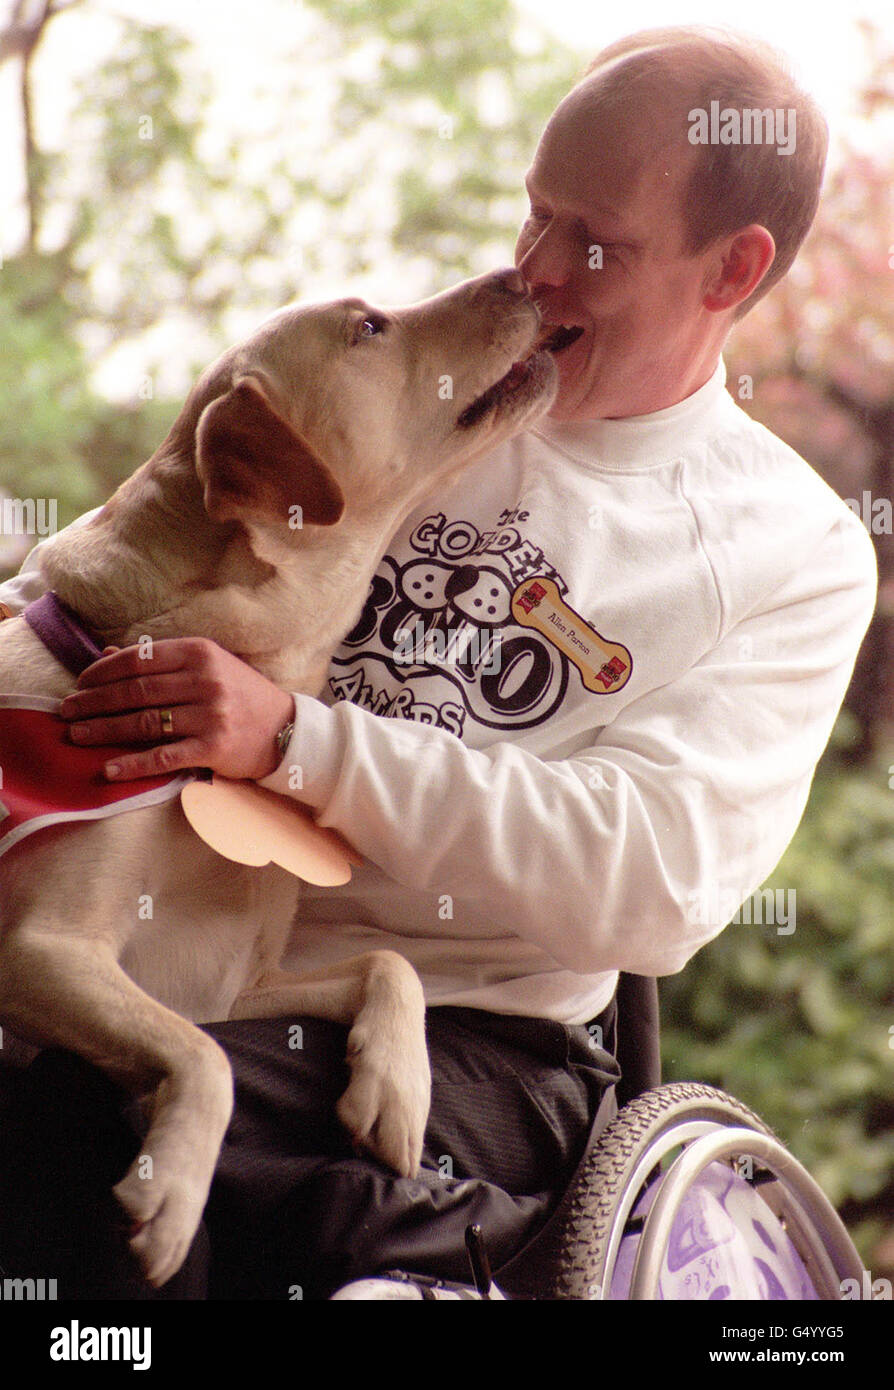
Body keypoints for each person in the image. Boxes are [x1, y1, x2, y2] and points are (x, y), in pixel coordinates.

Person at [0, 26, 877, 1299]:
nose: (531, 271)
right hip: (201, 936)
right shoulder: (432, 394)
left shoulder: (791, 549)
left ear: (729, 270)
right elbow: (143, 546)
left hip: (484, 1035)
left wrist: (300, 744)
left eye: (595, 246)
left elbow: (656, 881)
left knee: (109, 1107)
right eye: (536, 213)